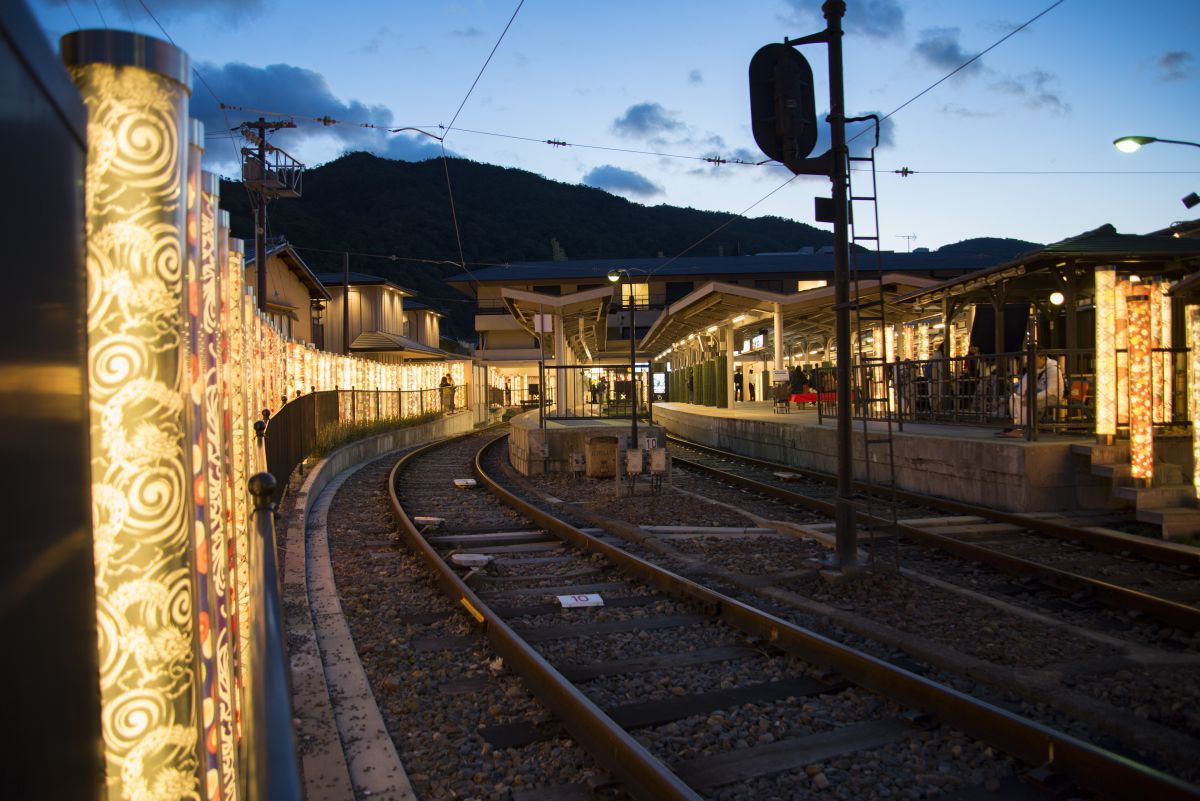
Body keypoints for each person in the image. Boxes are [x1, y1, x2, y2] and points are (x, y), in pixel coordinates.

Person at [997, 353, 1061, 437]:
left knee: (1028, 404)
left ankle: (1023, 429)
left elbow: (1050, 391)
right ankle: (1018, 427)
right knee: (1016, 400)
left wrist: (1032, 398)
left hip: (1053, 396)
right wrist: (1020, 396)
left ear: (1043, 358)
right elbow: (1023, 383)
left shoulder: (1053, 370)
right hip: (1037, 393)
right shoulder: (1034, 369)